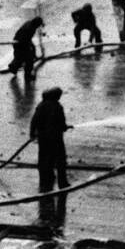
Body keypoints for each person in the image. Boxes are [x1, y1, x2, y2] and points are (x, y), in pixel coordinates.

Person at [29, 86, 71, 222]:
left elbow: (34, 121)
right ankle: (62, 182)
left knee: (44, 159)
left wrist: (32, 134)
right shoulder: (57, 107)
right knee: (60, 160)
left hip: (43, 138)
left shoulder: (41, 105)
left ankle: (45, 179)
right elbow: (61, 123)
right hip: (56, 138)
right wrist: (65, 127)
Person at [9, 16, 44, 83]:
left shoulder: (29, 23)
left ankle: (13, 67)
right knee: (29, 60)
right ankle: (27, 75)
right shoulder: (30, 29)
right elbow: (26, 40)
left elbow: (28, 39)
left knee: (19, 57)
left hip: (17, 41)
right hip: (21, 43)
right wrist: (32, 50)